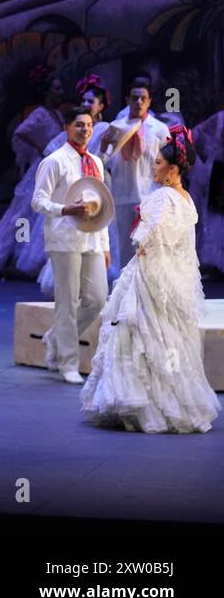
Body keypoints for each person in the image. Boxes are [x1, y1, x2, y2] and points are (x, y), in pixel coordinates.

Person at [81, 127, 220, 432]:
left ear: (172, 170)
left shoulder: (163, 197)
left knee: (141, 336)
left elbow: (151, 236)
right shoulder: (186, 200)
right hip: (175, 275)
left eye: (158, 163)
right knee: (168, 339)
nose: (153, 166)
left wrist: (144, 251)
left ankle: (139, 402)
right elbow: (185, 245)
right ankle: (172, 403)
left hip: (150, 273)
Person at [33, 106, 112, 385]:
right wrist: (66, 209)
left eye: (89, 125)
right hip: (64, 237)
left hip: (91, 237)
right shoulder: (55, 161)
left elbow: (102, 206)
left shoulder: (95, 162)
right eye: (79, 124)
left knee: (97, 297)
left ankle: (55, 337)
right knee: (68, 301)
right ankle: (67, 361)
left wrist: (105, 245)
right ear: (67, 127)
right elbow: (38, 200)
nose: (85, 130)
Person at [0, 66, 64, 279]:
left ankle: (29, 258)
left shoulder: (57, 114)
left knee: (38, 217)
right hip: (40, 170)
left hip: (52, 172)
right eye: (56, 88)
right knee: (22, 216)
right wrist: (40, 148)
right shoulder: (40, 113)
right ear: (47, 90)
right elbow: (21, 132)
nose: (60, 92)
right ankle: (11, 256)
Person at [101, 77, 171, 268]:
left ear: (149, 101)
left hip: (149, 194)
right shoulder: (116, 127)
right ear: (127, 100)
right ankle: (125, 291)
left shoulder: (159, 129)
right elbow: (104, 161)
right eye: (134, 98)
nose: (138, 102)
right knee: (124, 247)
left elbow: (169, 164)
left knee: (148, 247)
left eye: (143, 98)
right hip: (122, 195)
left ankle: (146, 291)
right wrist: (104, 145)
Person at [189, 100, 224, 276]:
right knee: (217, 217)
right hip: (221, 171)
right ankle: (216, 263)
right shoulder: (220, 118)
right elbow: (196, 135)